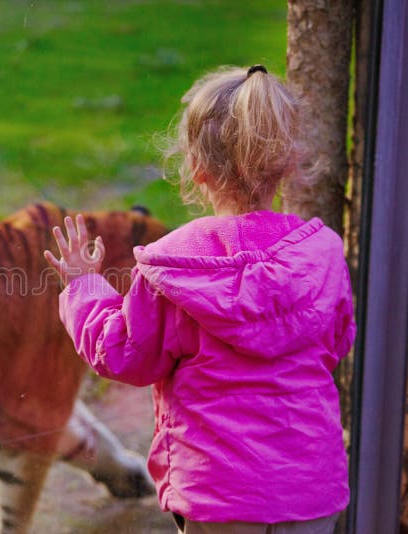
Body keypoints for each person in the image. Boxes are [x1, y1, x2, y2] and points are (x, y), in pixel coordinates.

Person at [43, 65, 355, 533]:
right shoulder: (323, 253)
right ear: (287, 163)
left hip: (218, 496)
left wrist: (84, 286)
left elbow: (126, 354)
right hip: (310, 489)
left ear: (197, 169)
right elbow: (335, 343)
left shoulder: (175, 267)